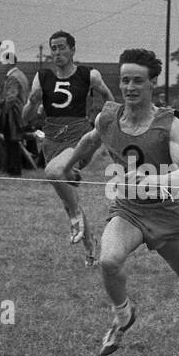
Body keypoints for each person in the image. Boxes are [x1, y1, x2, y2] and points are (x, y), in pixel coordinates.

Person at [59, 48, 179, 355]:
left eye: (137, 81)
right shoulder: (109, 117)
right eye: (124, 80)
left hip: (165, 211)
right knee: (108, 260)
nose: (129, 87)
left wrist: (152, 181)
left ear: (152, 84)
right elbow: (90, 139)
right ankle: (124, 315)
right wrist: (69, 166)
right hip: (128, 209)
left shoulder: (169, 124)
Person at [22, 30, 115, 263]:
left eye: (62, 47)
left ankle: (75, 211)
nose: (57, 52)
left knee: (54, 173)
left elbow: (109, 99)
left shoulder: (88, 74)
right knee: (67, 196)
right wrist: (33, 103)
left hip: (78, 136)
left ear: (72, 50)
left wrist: (107, 123)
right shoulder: (42, 77)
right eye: (53, 48)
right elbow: (26, 116)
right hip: (52, 139)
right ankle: (91, 248)